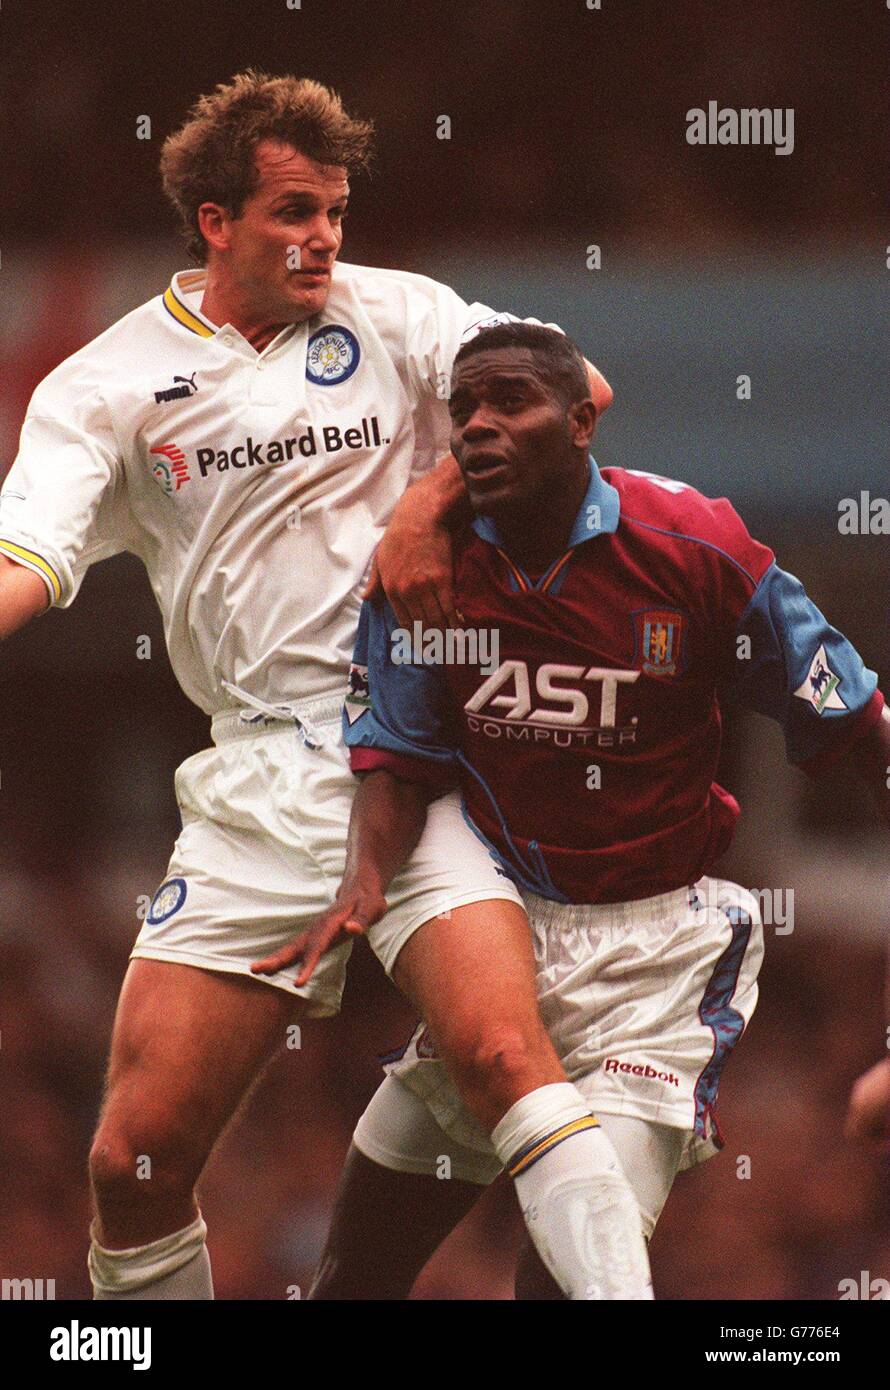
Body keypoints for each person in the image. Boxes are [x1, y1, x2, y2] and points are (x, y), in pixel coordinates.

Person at [0, 72, 635, 1301]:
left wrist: (426, 500)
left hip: (426, 743)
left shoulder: (398, 315)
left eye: (336, 210)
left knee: (507, 1054)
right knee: (131, 1164)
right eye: (293, 211)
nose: (324, 237)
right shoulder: (104, 388)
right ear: (214, 220)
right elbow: (27, 556)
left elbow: (576, 390)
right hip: (259, 781)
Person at [258, 321, 890, 1298]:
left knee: (556, 1284)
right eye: (462, 409)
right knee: (352, 1273)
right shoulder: (424, 574)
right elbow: (395, 761)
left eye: (510, 402)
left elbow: (859, 730)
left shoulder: (695, 550)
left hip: (646, 962)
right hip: (494, 947)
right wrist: (364, 876)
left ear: (583, 417)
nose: (478, 426)